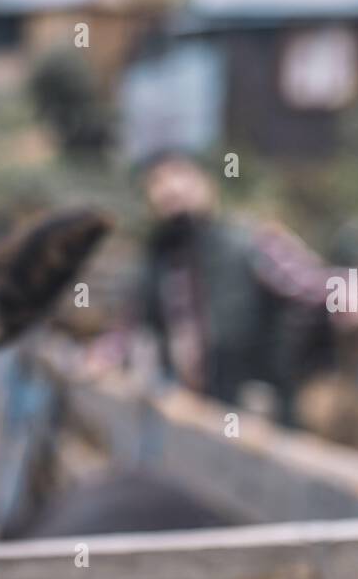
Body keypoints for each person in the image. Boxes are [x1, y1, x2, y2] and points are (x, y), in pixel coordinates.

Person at [137, 150, 335, 425]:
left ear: (209, 185)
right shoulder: (162, 261)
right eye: (157, 182)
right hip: (197, 410)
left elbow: (318, 289)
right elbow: (137, 328)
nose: (170, 188)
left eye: (181, 175)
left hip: (255, 416)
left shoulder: (252, 242)